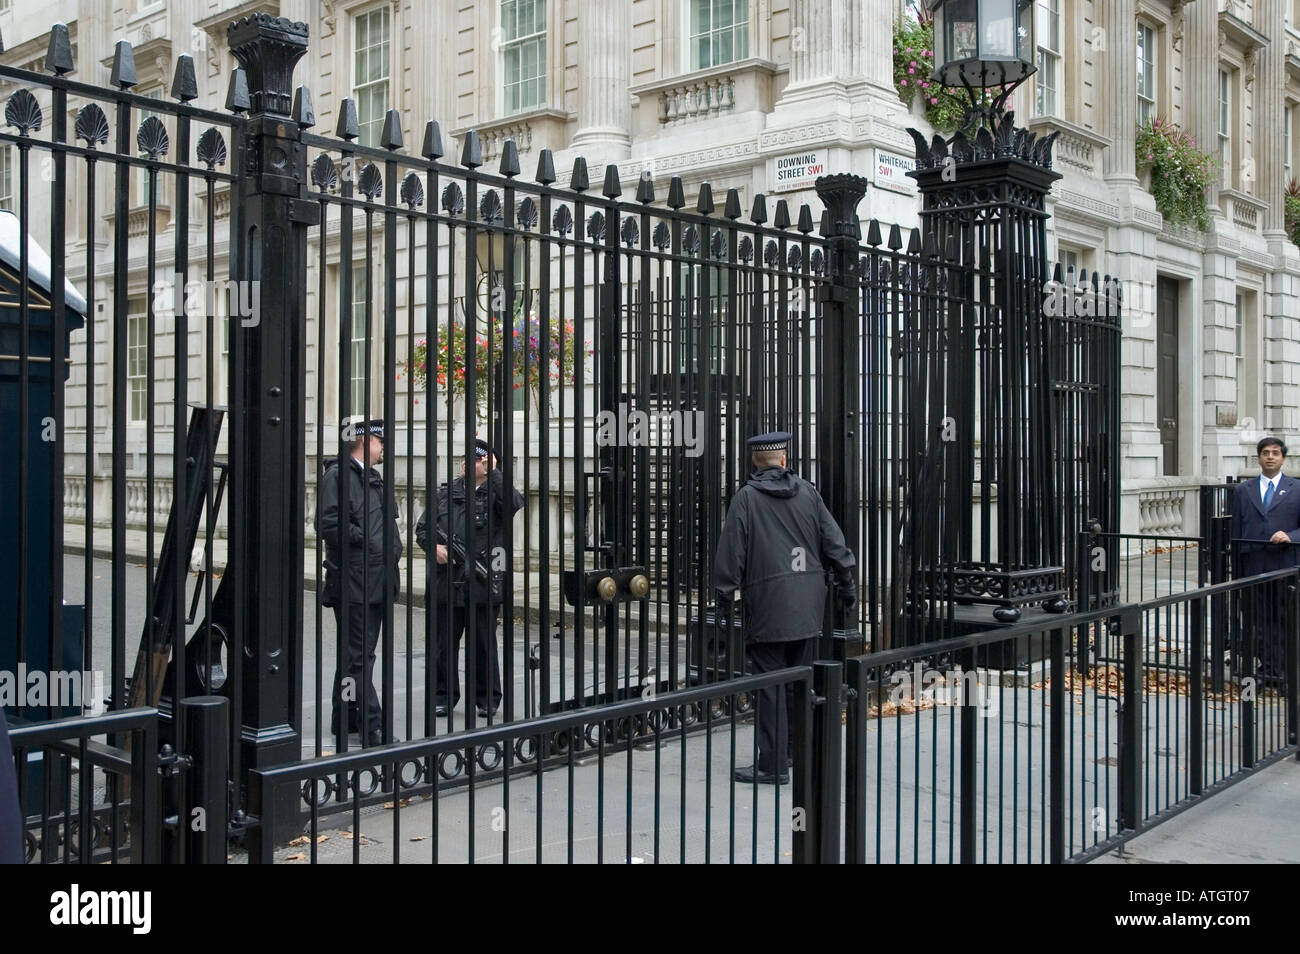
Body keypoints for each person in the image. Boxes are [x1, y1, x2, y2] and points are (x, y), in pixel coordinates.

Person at [711, 431, 857, 784]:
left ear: (754, 463)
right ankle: (796, 752)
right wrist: (847, 582)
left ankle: (772, 764)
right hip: (808, 605)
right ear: (785, 460)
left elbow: (732, 554)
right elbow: (834, 542)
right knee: (798, 680)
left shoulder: (746, 499)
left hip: (769, 606)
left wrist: (724, 597)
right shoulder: (808, 492)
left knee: (771, 684)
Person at [417, 439, 524, 720]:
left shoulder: (497, 492)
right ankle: (442, 696)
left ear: (487, 464)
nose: (466, 463)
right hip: (446, 580)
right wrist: (434, 548)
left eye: (475, 460)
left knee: (482, 644)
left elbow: (514, 504)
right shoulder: (445, 493)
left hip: (482, 581)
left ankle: (486, 698)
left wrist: (496, 472)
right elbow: (423, 529)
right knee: (443, 644)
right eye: (465, 459)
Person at [317, 419, 402, 747]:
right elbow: (327, 524)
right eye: (381, 442)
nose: (383, 449)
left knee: (354, 655)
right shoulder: (338, 476)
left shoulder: (373, 478)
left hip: (378, 579)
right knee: (359, 656)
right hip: (354, 581)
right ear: (365, 441)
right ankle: (371, 726)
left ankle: (345, 718)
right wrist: (368, 541)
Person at [1231, 436, 1300, 683]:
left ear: (1283, 458)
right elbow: (1236, 529)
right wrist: (1236, 566)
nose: (1270, 457)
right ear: (1258, 457)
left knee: (1284, 618)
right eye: (1265, 453)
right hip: (1254, 563)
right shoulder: (1243, 490)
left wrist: (1290, 536)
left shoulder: (1297, 489)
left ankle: (1284, 671)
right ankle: (1266, 669)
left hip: (1284, 564)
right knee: (1259, 620)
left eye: (1275, 453)